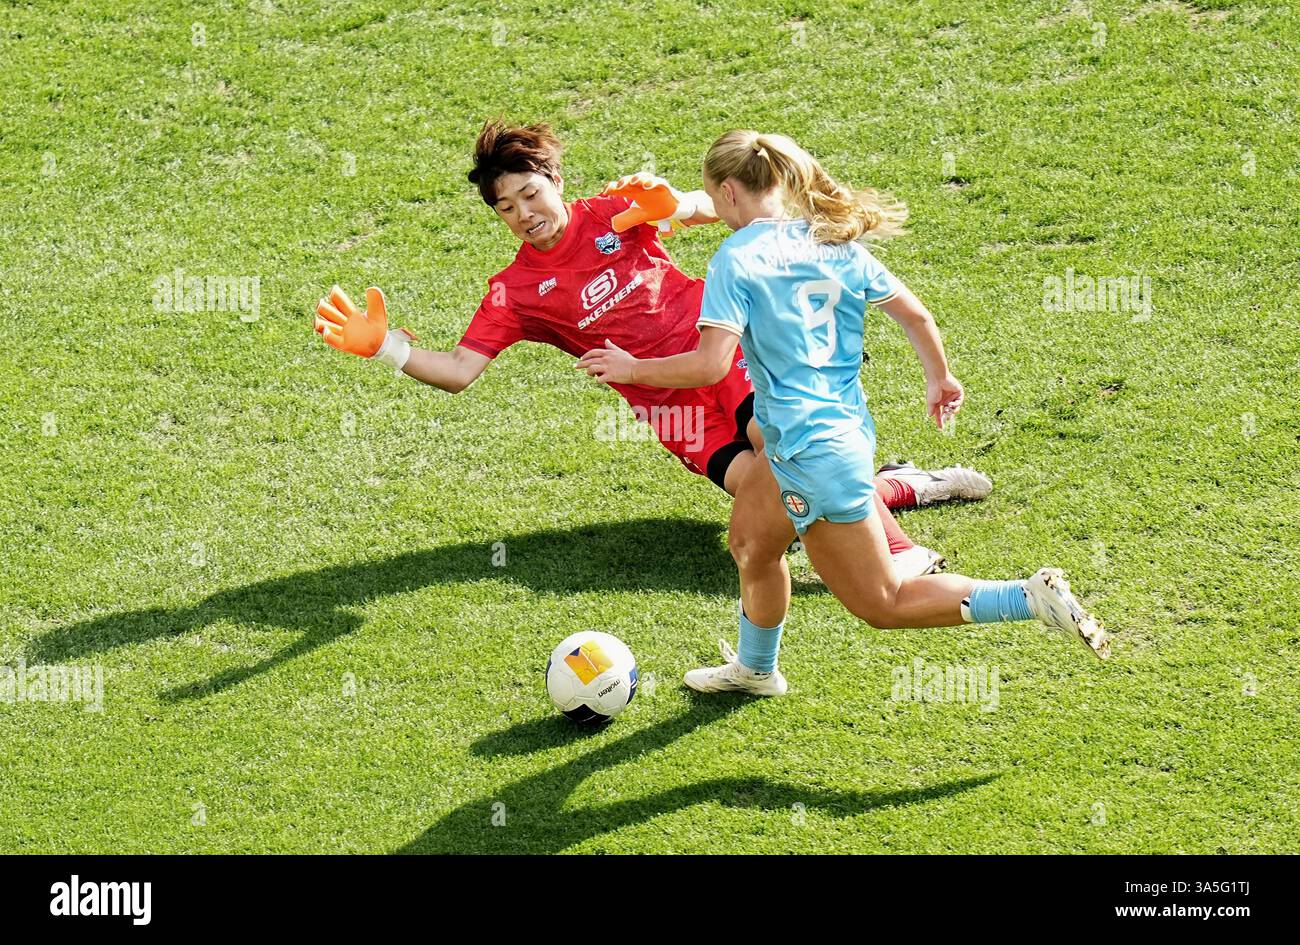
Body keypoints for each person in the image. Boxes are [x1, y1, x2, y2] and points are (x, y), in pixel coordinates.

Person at [313, 120, 993, 579]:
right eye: (506, 207)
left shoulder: (613, 211)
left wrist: (674, 199)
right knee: (784, 500)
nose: (524, 212)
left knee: (784, 452)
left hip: (731, 352)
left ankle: (899, 553)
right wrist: (389, 349)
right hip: (675, 413)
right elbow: (459, 371)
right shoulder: (516, 291)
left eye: (530, 192)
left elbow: (704, 208)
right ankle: (904, 484)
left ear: (556, 179)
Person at [576, 130, 1111, 695]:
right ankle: (756, 670)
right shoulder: (833, 242)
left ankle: (1028, 598)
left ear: (728, 191)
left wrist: (632, 370)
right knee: (752, 548)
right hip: (829, 436)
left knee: (884, 602)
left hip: (811, 456)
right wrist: (940, 377)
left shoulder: (735, 258)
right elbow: (916, 315)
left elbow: (710, 365)